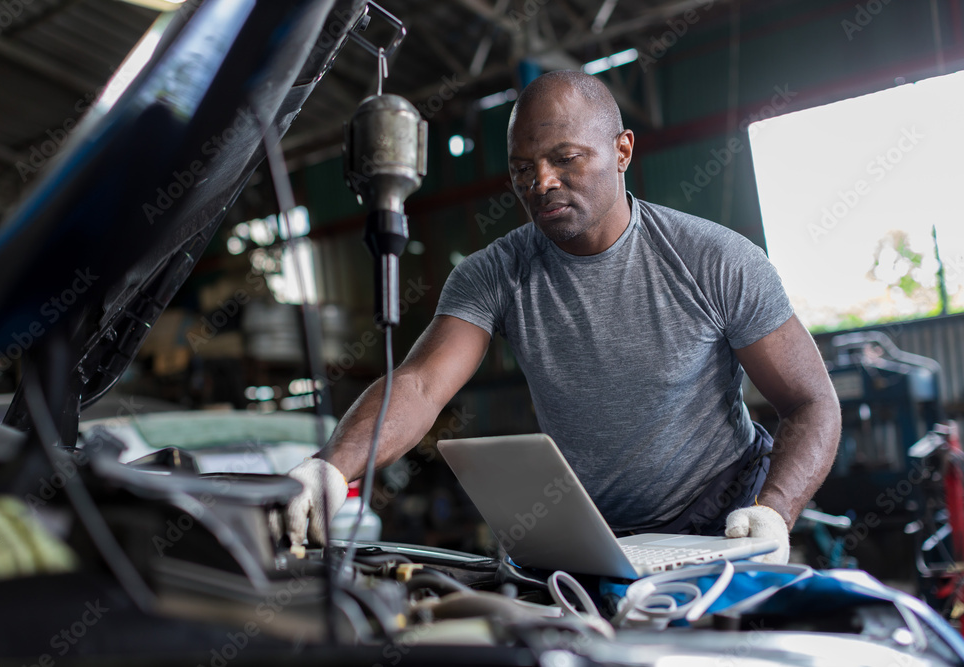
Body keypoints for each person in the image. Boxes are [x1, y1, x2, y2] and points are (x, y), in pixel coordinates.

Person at [285, 70, 841, 564]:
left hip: (728, 517)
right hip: (592, 533)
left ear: (622, 150)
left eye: (565, 158)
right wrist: (330, 469)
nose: (541, 182)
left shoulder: (715, 260)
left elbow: (811, 401)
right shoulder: (494, 274)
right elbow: (422, 385)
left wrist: (775, 513)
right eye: (522, 168)